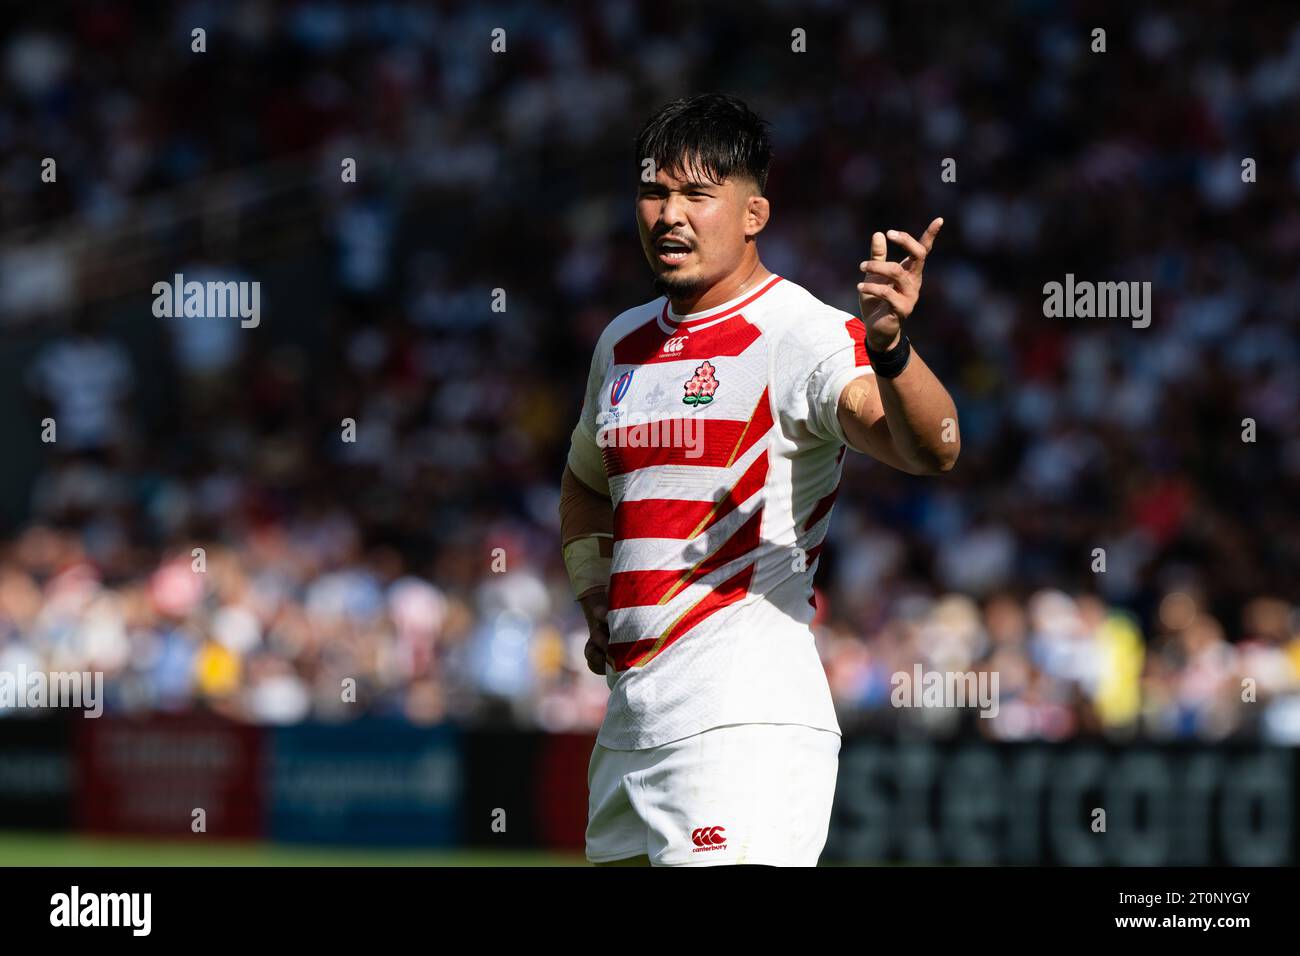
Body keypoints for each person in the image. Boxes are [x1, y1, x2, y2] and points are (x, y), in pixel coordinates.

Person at [559, 93, 960, 866]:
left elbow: (931, 449)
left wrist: (893, 349)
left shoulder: (800, 331)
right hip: (631, 726)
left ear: (754, 214)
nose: (670, 214)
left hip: (742, 724)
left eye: (697, 194)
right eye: (655, 192)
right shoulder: (622, 342)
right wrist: (593, 589)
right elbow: (583, 481)